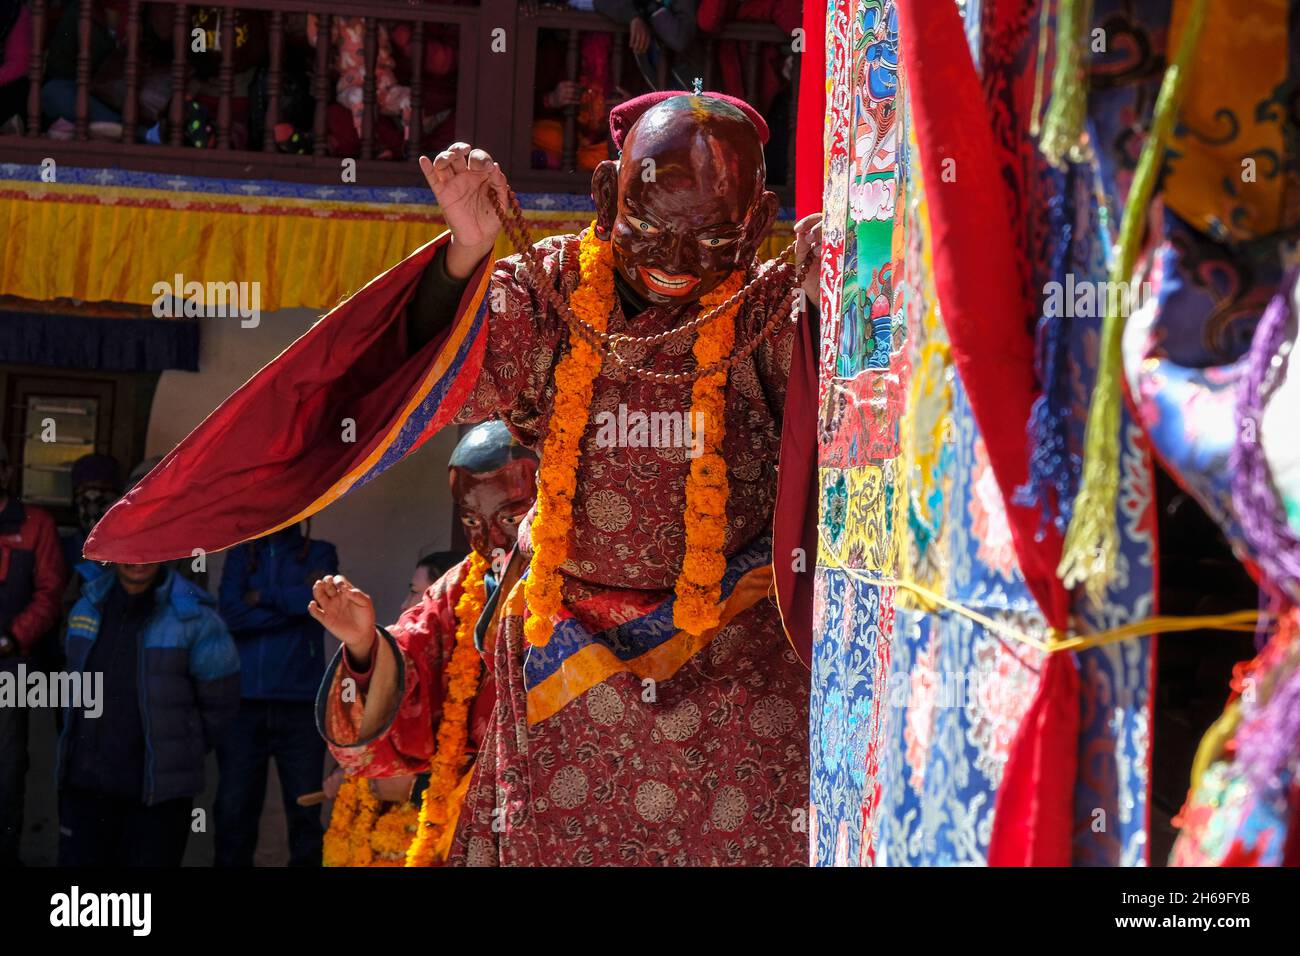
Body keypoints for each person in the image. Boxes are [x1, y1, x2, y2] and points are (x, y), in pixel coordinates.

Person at [84, 90, 823, 866]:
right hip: (567, 656)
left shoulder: (768, 302)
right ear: (606, 196)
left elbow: (840, 410)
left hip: (731, 658)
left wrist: (821, 300)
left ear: (757, 217)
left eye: (710, 238)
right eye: (654, 227)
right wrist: (465, 253)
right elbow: (429, 373)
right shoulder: (554, 291)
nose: (677, 262)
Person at [314, 421, 538, 865]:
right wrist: (363, 647)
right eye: (472, 520)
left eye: (511, 518)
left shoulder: (585, 580)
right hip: (465, 811)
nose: (491, 538)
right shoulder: (462, 587)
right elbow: (412, 652)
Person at [56, 559, 239, 865]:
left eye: (145, 548)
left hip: (158, 797)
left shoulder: (195, 617)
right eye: (128, 546)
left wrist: (181, 747)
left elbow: (222, 703)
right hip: (86, 787)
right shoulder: (87, 605)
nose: (136, 559)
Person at [214, 519, 338, 866]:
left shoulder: (320, 552)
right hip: (245, 704)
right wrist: (295, 610)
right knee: (233, 813)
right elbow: (232, 614)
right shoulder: (241, 555)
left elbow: (319, 605)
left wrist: (264, 597)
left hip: (301, 705)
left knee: (305, 813)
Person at [0, 442, 67, 865]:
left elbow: (50, 593)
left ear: (7, 472)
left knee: (6, 771)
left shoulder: (35, 524)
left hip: (13, 667)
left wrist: (12, 638)